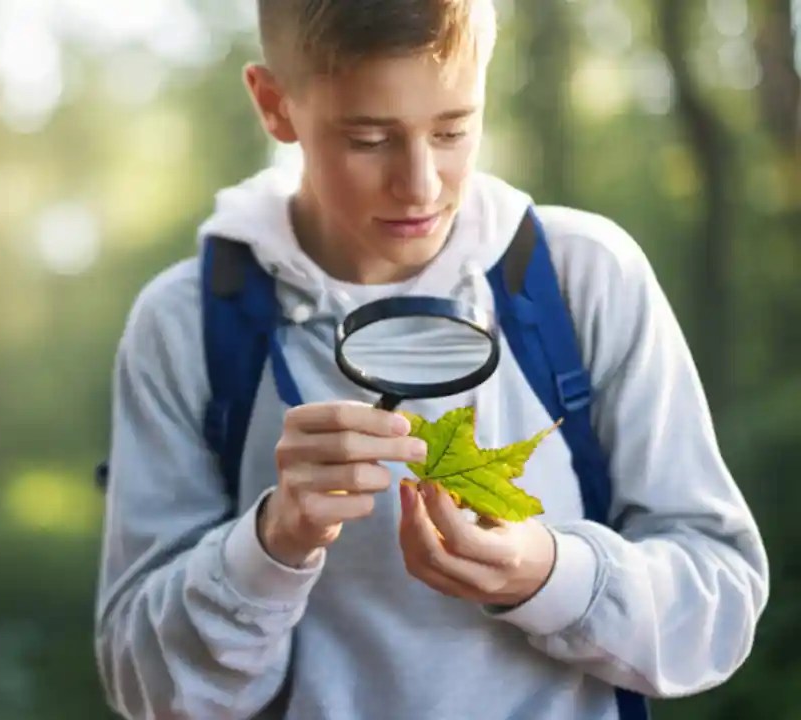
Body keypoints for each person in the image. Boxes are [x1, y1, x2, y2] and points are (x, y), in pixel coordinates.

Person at [92, 1, 769, 718]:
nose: (420, 185)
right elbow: (146, 690)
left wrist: (546, 575)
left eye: (452, 130)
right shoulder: (187, 323)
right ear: (273, 104)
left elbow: (720, 604)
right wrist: (269, 547)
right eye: (368, 138)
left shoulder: (582, 280)